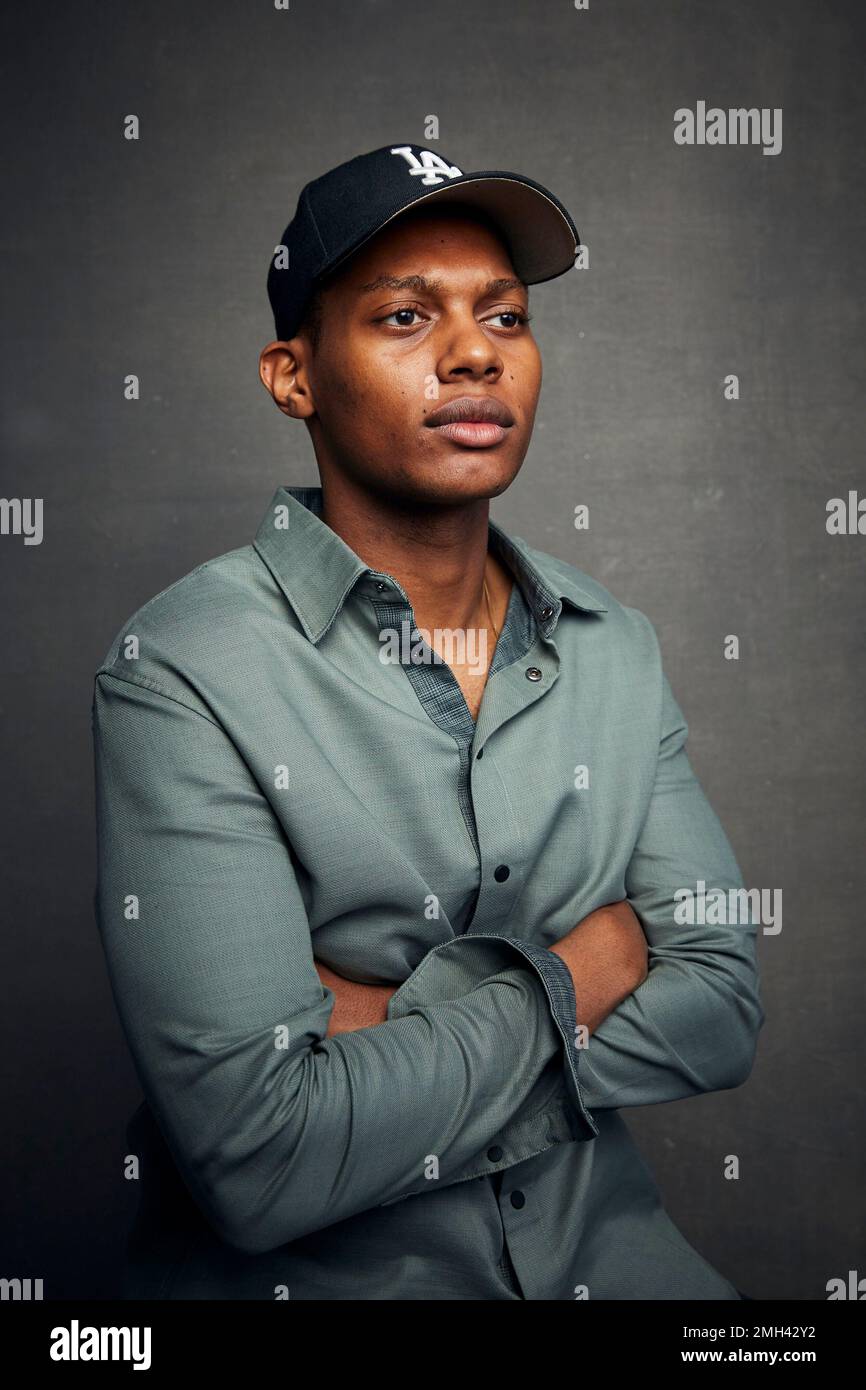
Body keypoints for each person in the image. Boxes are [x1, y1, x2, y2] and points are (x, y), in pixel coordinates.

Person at [92, 143, 764, 1300]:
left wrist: (383, 1027)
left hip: (613, 1266)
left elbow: (720, 1004)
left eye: (503, 317)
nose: (470, 352)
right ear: (292, 376)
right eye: (404, 316)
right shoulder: (182, 670)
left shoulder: (615, 643)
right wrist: (584, 966)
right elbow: (263, 1153)